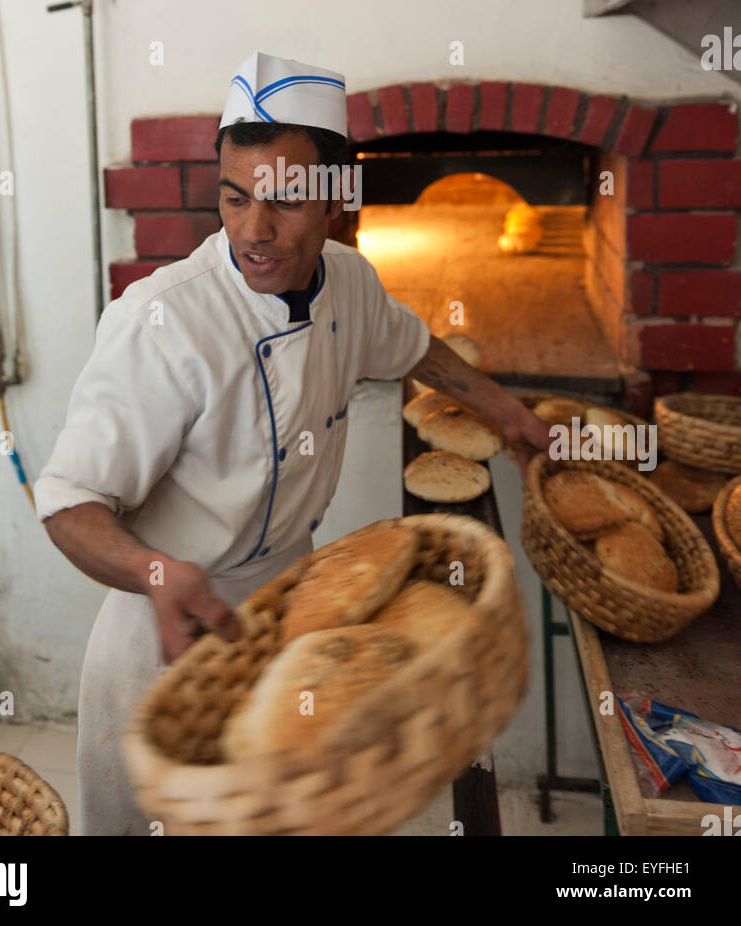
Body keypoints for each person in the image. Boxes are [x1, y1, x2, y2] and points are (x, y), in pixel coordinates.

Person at [35, 51, 552, 835]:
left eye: (283, 204)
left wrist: (510, 416)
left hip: (293, 614)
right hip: (165, 640)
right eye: (234, 199)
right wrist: (158, 571)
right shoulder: (162, 320)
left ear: (337, 203)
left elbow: (414, 350)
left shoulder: (348, 282)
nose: (254, 232)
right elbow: (67, 502)